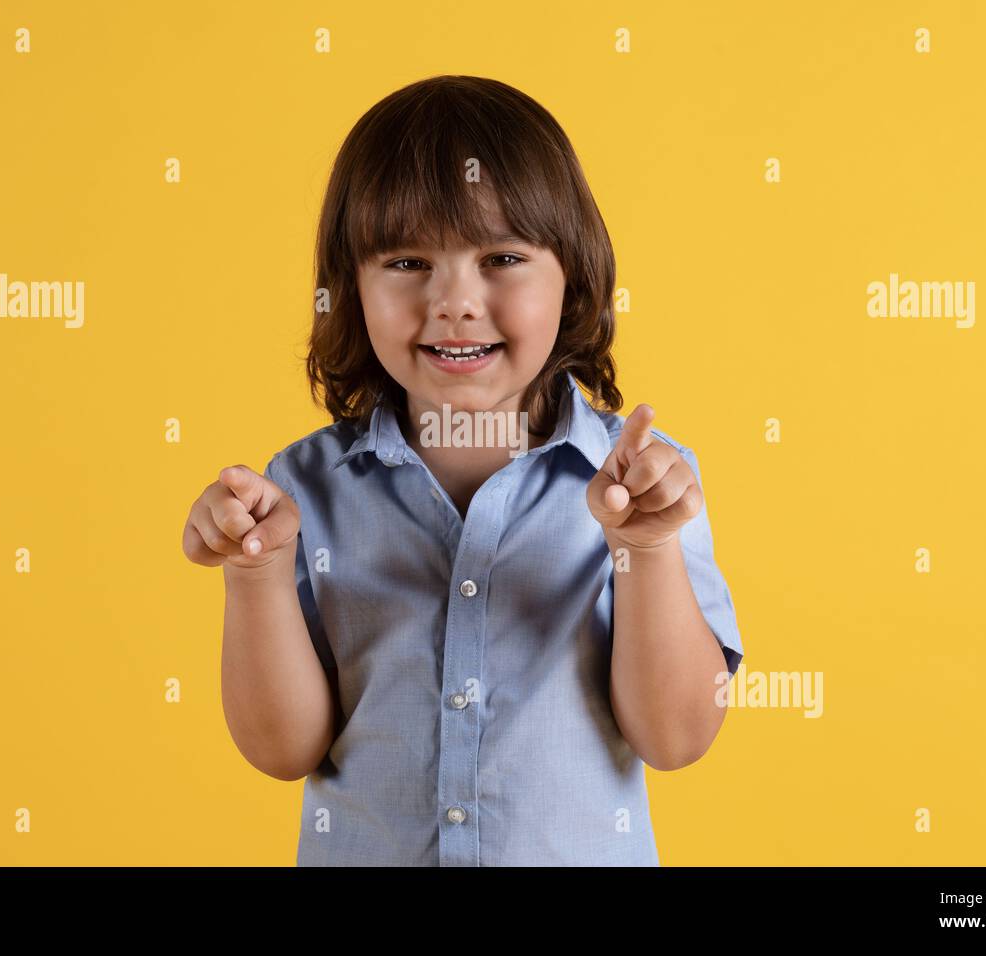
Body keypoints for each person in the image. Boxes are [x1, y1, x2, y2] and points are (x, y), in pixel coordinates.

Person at [182, 75, 745, 866]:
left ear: (573, 278)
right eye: (408, 261)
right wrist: (256, 575)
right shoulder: (301, 491)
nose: (454, 302)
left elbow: (679, 735)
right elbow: (282, 749)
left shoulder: (652, 484)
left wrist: (646, 551)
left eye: (503, 258)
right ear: (350, 289)